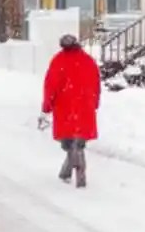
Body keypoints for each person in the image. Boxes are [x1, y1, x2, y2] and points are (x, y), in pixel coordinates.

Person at [40, 33, 100, 188]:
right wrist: (94, 102)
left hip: (65, 107)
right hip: (85, 106)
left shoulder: (58, 61)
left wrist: (47, 106)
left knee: (69, 142)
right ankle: (67, 172)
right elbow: (96, 84)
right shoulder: (88, 61)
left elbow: (50, 86)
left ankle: (79, 174)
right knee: (78, 141)